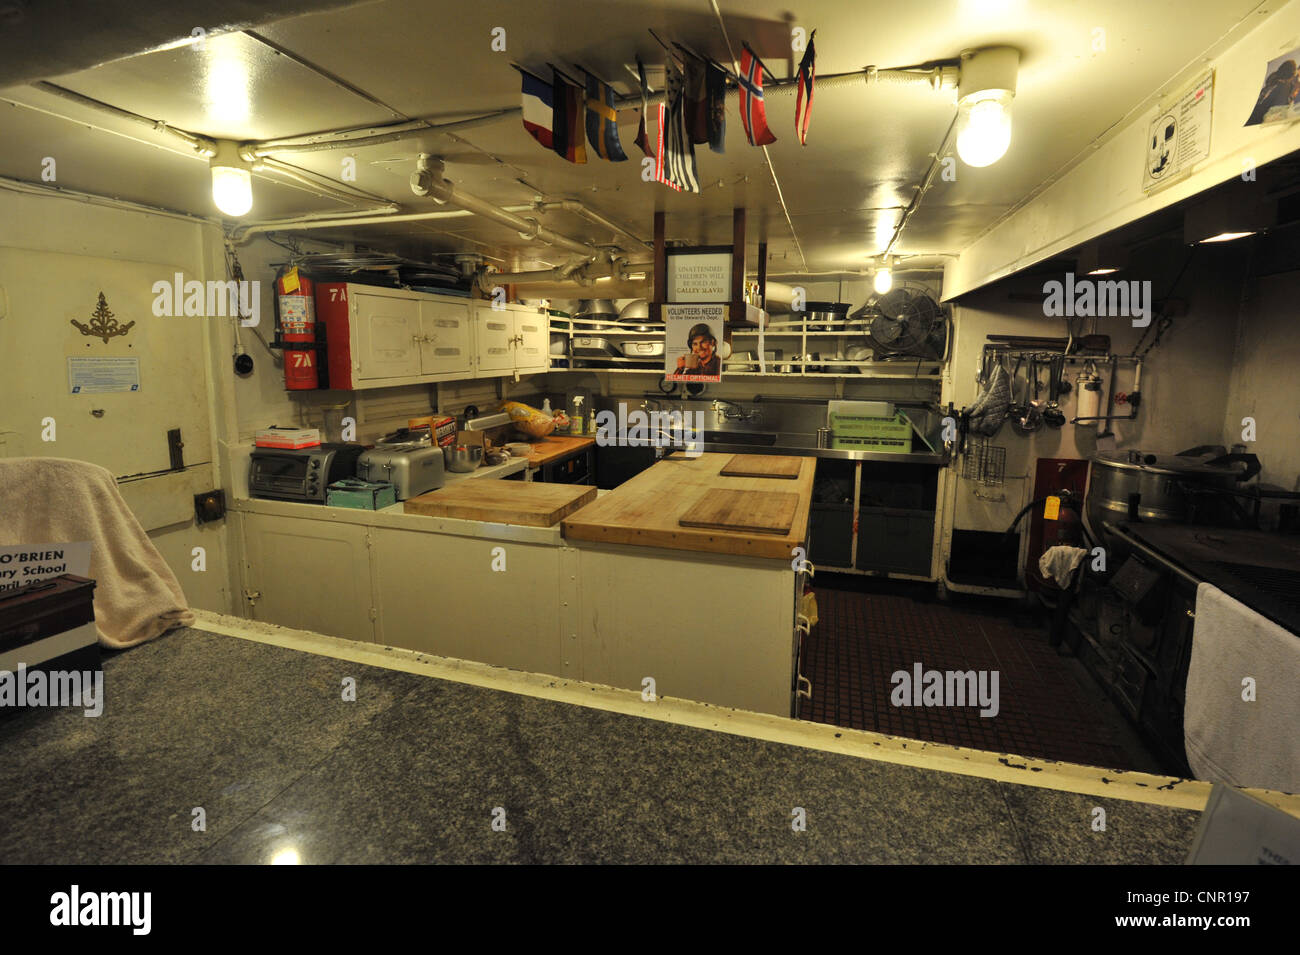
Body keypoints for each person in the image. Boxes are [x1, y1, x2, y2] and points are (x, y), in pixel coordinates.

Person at [1247, 59, 1299, 125]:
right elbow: (1276, 111)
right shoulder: (1284, 87)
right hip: (1258, 120)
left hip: (1253, 114)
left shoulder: (1273, 81)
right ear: (1291, 74)